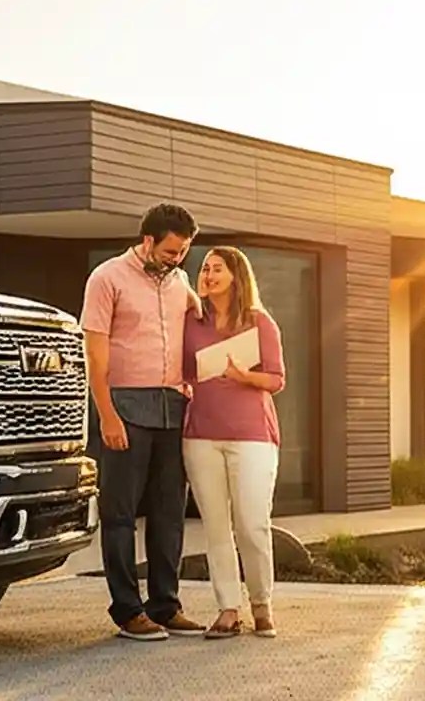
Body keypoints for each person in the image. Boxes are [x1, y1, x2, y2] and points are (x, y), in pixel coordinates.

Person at [80, 202, 206, 641]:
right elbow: (94, 357)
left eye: (184, 252)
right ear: (147, 241)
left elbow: (201, 328)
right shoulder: (107, 278)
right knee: (120, 515)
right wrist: (106, 414)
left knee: (170, 514)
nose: (178, 259)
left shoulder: (181, 281)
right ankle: (128, 610)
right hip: (125, 408)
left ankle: (166, 606)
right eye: (172, 251)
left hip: (174, 408)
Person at [181, 246, 285, 640]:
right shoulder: (192, 322)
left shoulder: (260, 323)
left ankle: (261, 603)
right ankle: (227, 609)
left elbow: (276, 379)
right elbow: (184, 371)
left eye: (216, 269)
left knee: (252, 524)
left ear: (236, 276)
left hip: (252, 436)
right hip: (201, 436)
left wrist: (245, 377)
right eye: (204, 268)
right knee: (216, 528)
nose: (207, 275)